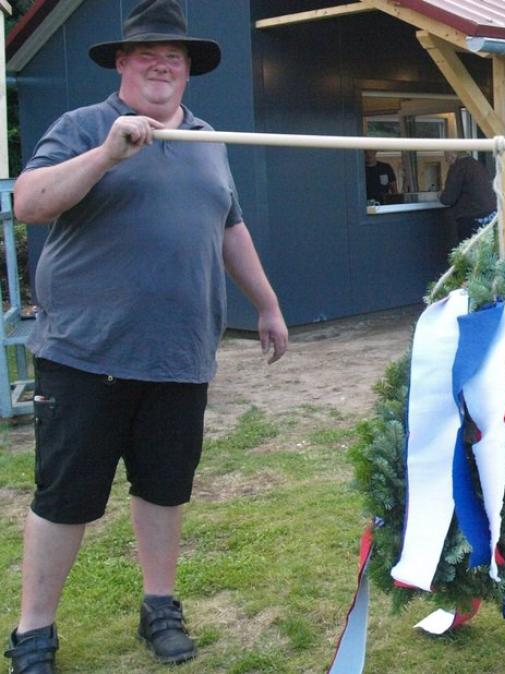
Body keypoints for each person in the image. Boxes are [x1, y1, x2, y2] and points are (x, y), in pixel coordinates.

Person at [3, 1, 289, 672]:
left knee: (164, 490)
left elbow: (229, 227)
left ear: (187, 70)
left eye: (176, 56)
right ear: (123, 63)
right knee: (64, 498)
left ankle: (159, 607)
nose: (163, 63)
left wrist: (269, 306)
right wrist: (106, 154)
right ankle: (34, 634)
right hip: (85, 355)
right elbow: (29, 202)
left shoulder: (208, 139)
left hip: (181, 355)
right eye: (148, 53)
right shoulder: (83, 126)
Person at [440, 151, 498, 242]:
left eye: (446, 157)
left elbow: (447, 199)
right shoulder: (477, 164)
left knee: (468, 251)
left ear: (453, 155)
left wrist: (440, 195)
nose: (446, 161)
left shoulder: (458, 167)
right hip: (490, 215)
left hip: (471, 217)